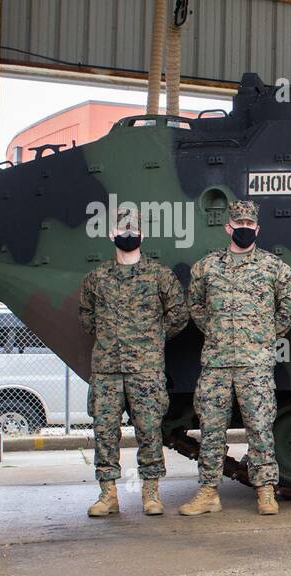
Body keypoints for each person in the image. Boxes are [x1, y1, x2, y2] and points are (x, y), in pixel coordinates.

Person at [179, 199, 291, 516]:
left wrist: (261, 336)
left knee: (260, 428)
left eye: (249, 225)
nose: (244, 230)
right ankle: (207, 493)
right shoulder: (207, 268)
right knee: (212, 430)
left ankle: (265, 492)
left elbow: (288, 309)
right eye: (238, 225)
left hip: (255, 364)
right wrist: (218, 333)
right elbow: (197, 307)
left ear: (256, 229)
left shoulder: (274, 268)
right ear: (228, 227)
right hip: (216, 364)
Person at [78, 206, 188, 517]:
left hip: (146, 370)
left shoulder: (159, 276)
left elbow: (178, 314)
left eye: (133, 231)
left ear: (142, 235)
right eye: (122, 231)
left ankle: (151, 494)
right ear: (112, 235)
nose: (128, 235)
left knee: (149, 430)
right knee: (105, 432)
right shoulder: (96, 278)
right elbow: (86, 317)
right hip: (107, 370)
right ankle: (108, 494)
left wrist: (152, 340)